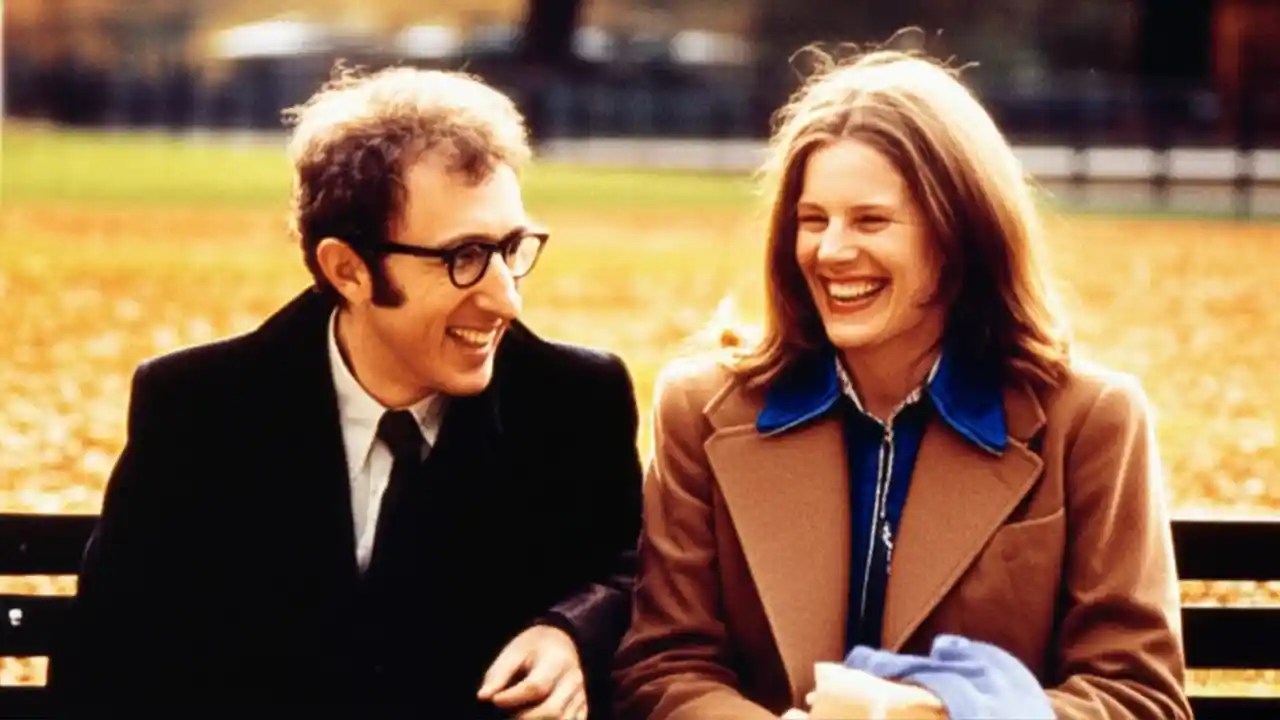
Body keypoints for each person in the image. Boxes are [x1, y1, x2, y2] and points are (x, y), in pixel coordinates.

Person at [613, 48, 1191, 720]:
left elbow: (1138, 695)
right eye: (812, 220)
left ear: (958, 233)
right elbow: (662, 669)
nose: (830, 252)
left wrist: (939, 716)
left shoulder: (1089, 420)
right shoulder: (701, 409)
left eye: (870, 221)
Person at [50, 66, 643, 719]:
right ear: (347, 270)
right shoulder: (199, 410)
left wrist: (570, 632)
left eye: (511, 247)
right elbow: (105, 664)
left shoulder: (573, 404)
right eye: (465, 256)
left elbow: (634, 573)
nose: (505, 295)